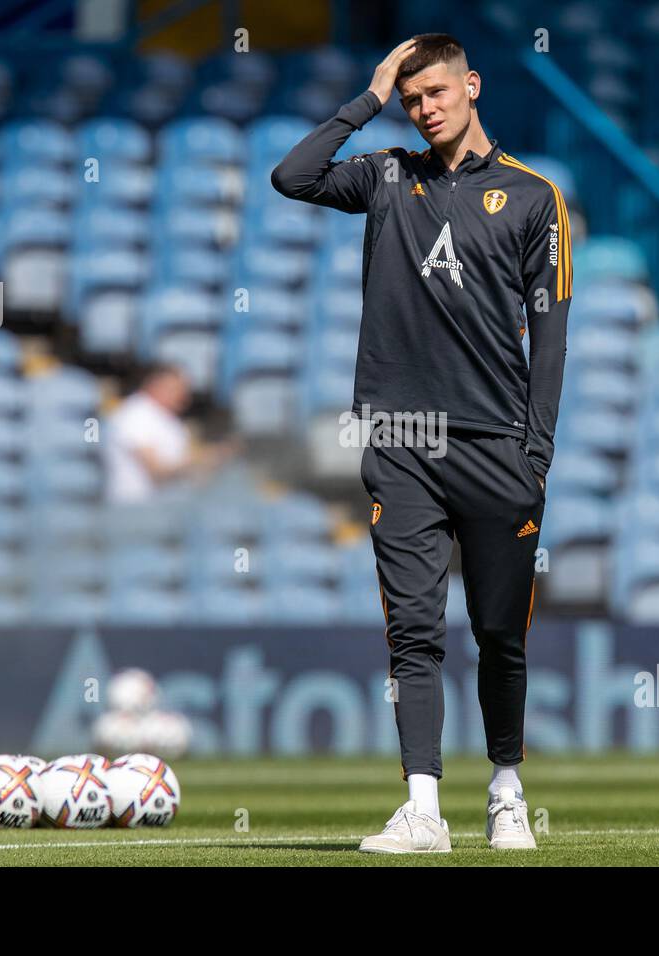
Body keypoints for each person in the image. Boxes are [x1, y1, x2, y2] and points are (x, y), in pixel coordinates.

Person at [272, 34, 572, 853]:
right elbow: (292, 175)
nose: (424, 108)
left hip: (495, 446)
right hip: (399, 442)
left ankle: (506, 789)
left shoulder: (534, 196)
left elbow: (550, 340)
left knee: (500, 635)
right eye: (412, 99)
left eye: (436, 91)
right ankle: (424, 808)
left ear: (472, 86)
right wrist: (366, 98)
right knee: (413, 631)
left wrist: (535, 453)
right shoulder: (385, 174)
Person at [104, 365, 236, 505]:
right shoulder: (137, 413)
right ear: (156, 385)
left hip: (167, 509)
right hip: (135, 510)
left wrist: (216, 457)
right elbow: (156, 472)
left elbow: (189, 472)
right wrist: (200, 460)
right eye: (177, 389)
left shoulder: (169, 421)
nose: (184, 397)